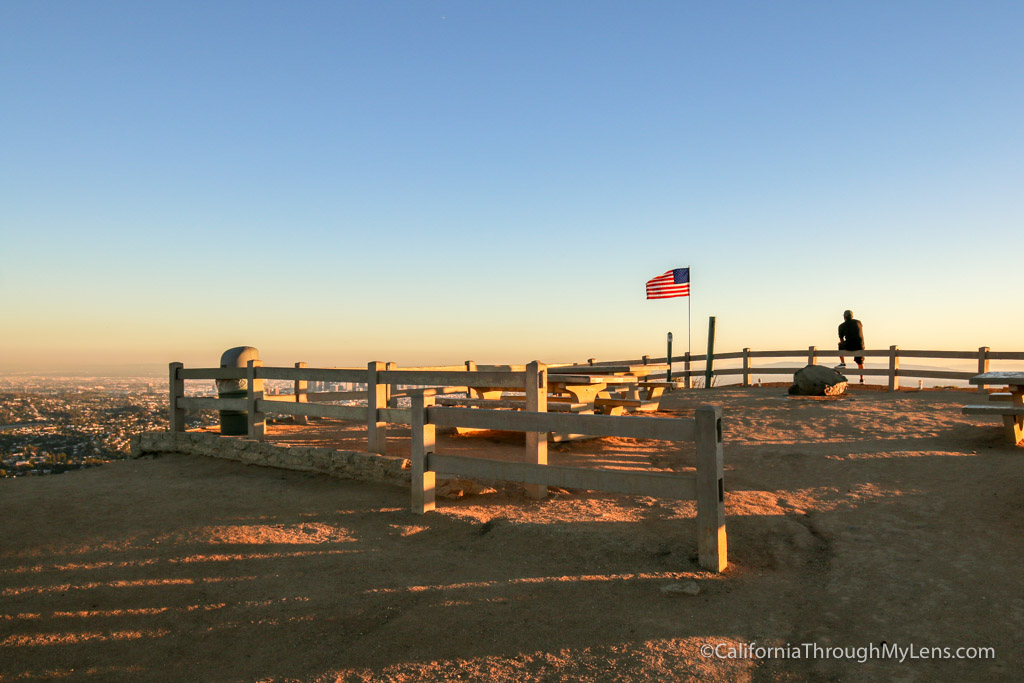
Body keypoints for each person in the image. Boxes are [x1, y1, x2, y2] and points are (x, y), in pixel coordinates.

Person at [837, 310, 865, 383]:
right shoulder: (858, 322)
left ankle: (843, 363)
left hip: (850, 344)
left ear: (844, 317)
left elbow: (841, 338)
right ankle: (862, 379)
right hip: (860, 345)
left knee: (840, 345)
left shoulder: (842, 326)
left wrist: (842, 343)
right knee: (860, 363)